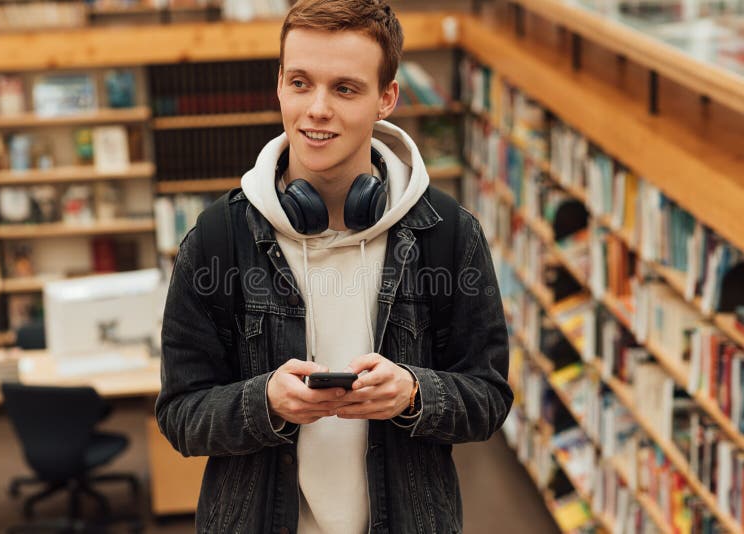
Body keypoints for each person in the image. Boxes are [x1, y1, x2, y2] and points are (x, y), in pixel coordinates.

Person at [155, 1, 513, 532]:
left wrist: (414, 393)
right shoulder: (215, 240)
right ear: (279, 84)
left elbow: (489, 398)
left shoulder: (448, 234)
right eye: (300, 83)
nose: (317, 109)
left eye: (345, 89)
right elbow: (180, 414)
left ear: (386, 98)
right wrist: (264, 402)